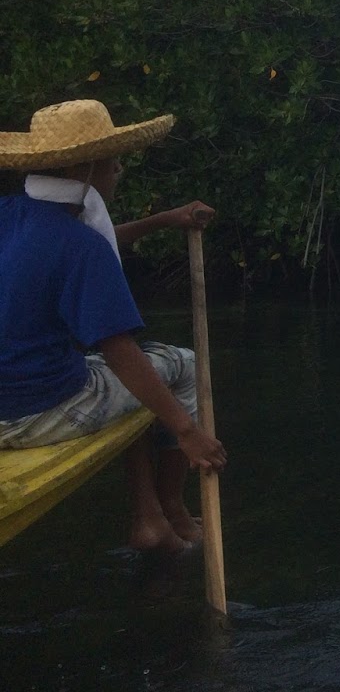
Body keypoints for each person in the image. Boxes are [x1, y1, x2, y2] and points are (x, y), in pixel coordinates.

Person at [0, 99, 227, 552]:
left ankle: (149, 518)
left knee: (125, 376)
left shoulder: (11, 215)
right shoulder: (79, 245)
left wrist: (165, 220)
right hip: (31, 416)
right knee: (180, 364)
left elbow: (83, 243)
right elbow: (121, 352)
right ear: (86, 171)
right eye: (112, 161)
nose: (119, 169)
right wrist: (187, 433)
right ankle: (168, 510)